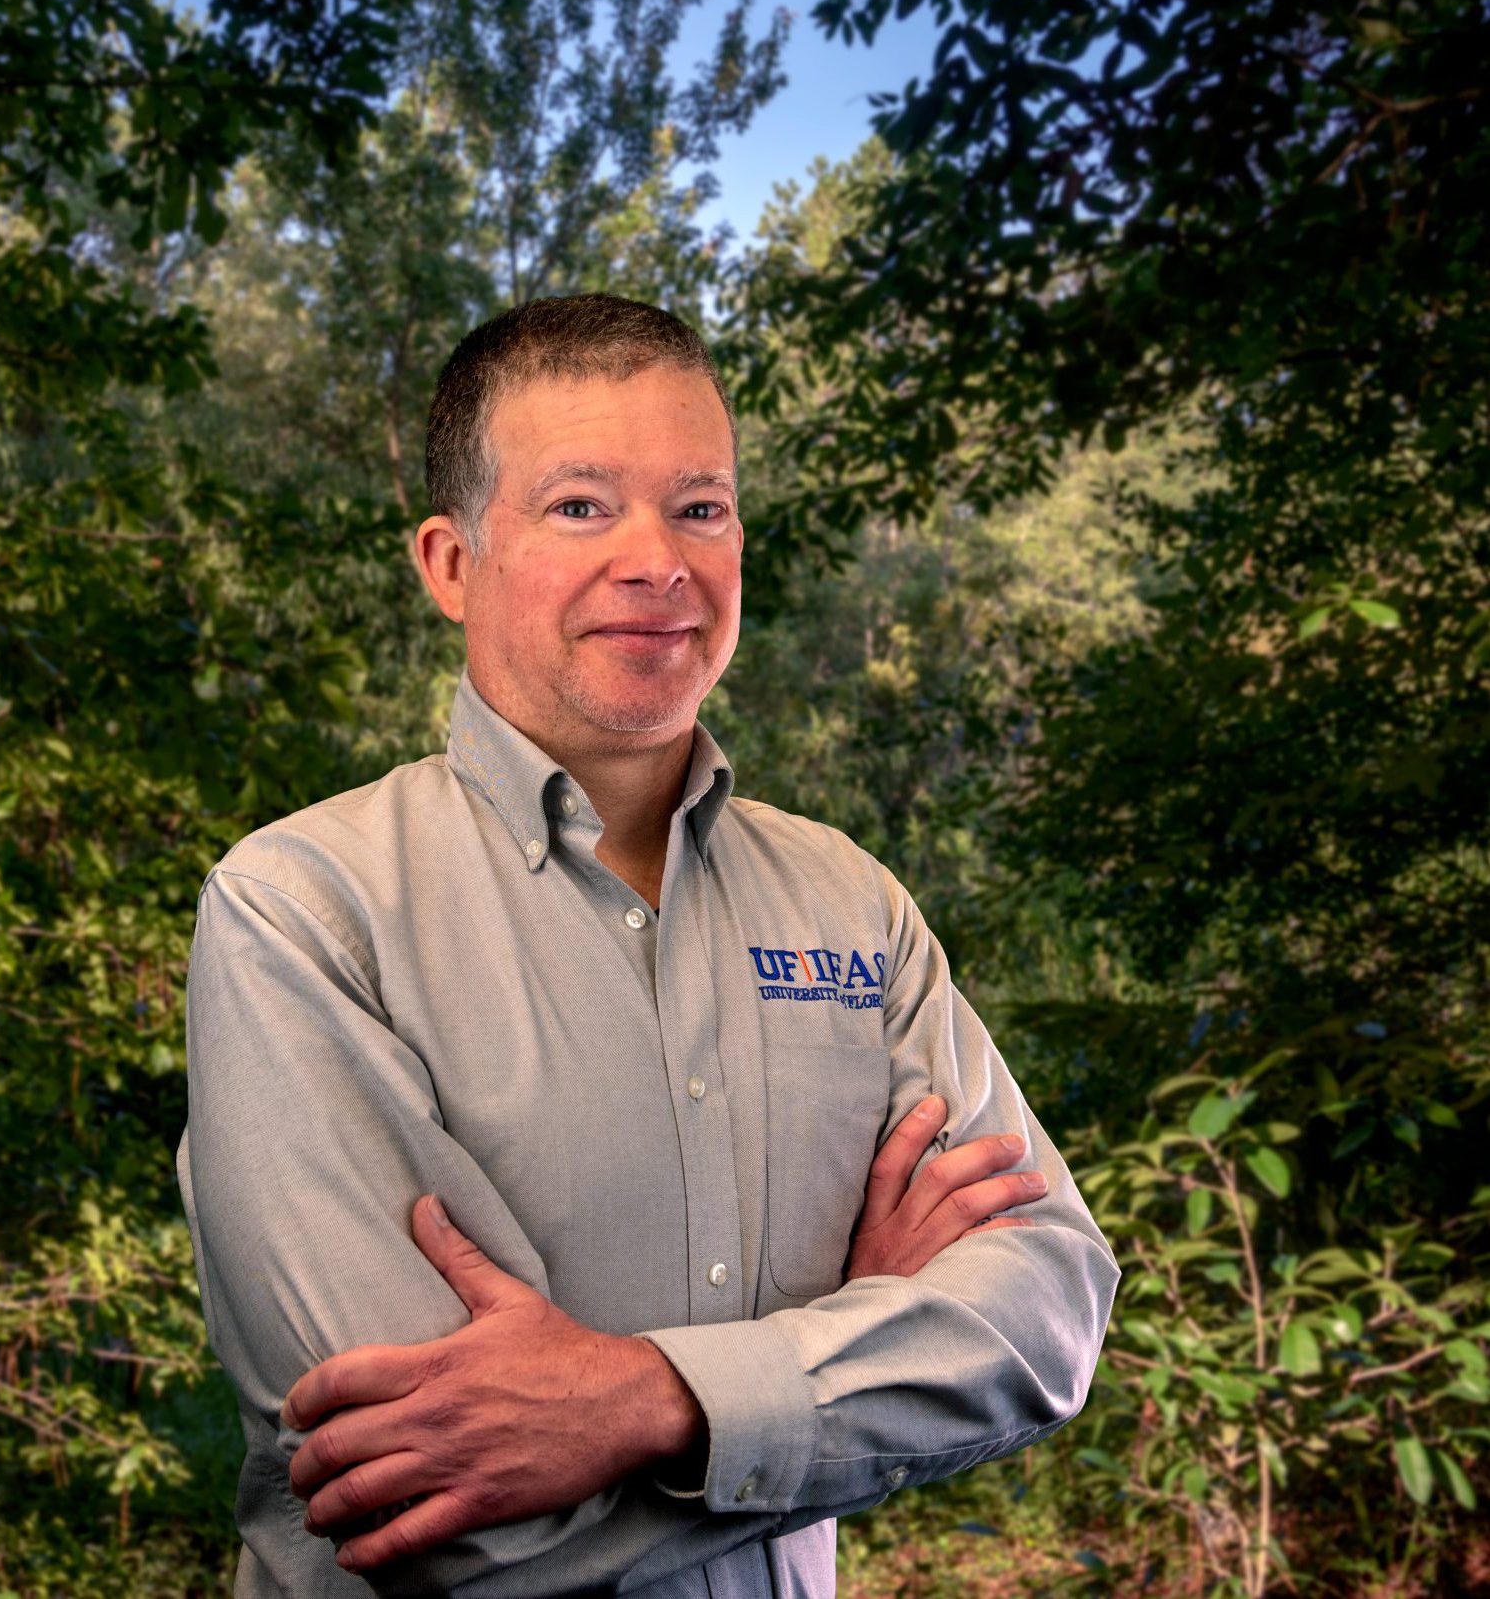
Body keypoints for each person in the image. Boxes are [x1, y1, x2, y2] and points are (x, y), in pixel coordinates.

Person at [177, 293, 1120, 1599]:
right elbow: (438, 1520)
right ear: (450, 563)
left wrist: (641, 1401)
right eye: (580, 506)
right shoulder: (301, 912)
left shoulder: (850, 905)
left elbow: (1049, 1313)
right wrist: (858, 1354)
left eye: (700, 506)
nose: (657, 560)